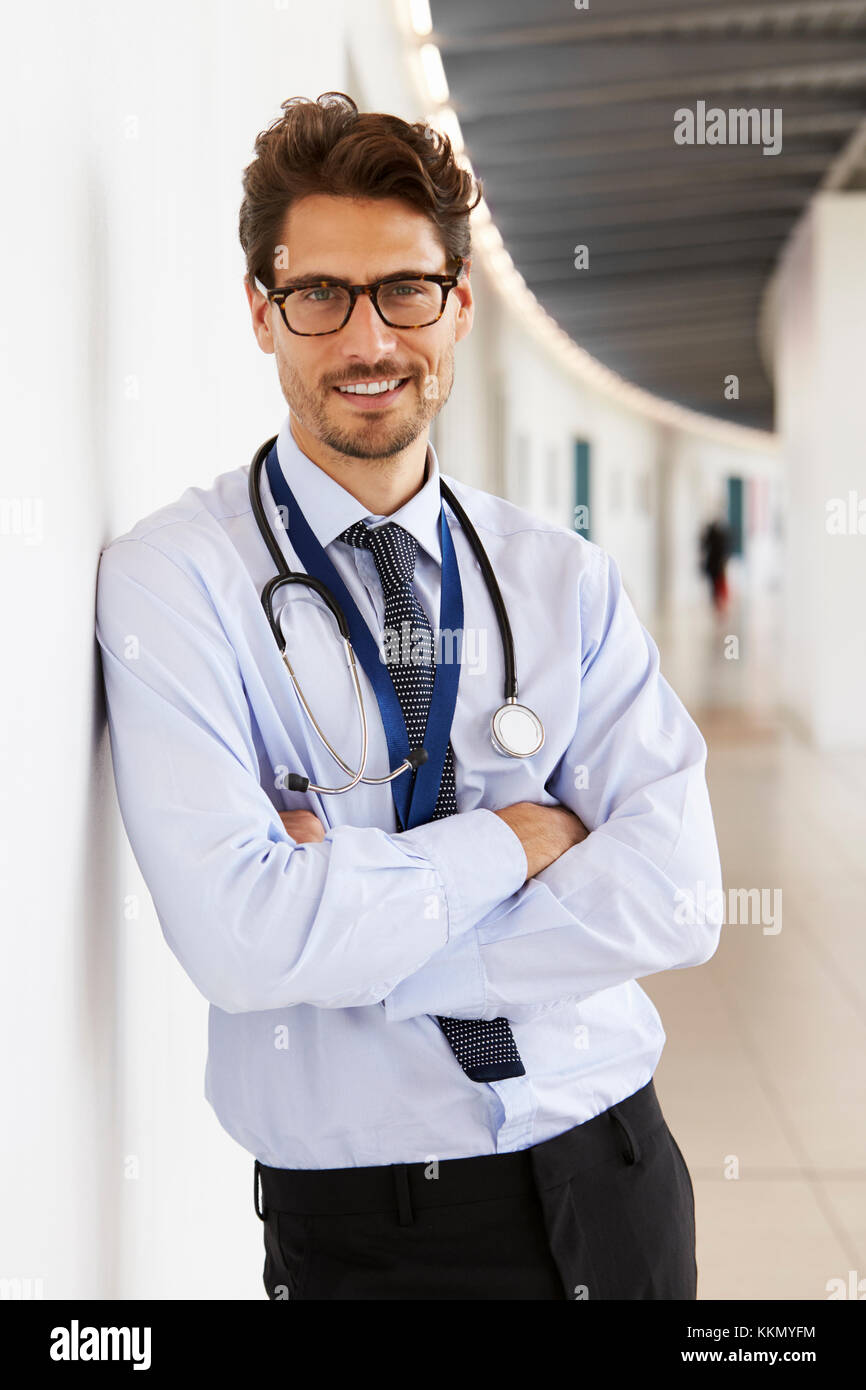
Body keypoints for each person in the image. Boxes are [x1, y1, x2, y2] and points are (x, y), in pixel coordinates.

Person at [95, 92, 723, 1301]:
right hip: (369, 1226)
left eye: (404, 291)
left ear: (458, 305)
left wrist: (361, 937)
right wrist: (517, 837)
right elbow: (243, 939)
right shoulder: (176, 582)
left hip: (615, 1165)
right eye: (319, 295)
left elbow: (679, 893)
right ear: (261, 313)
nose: (367, 338)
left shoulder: (560, 576)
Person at [700, 518, 731, 614]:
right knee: (716, 582)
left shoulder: (713, 536)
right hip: (716, 563)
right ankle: (717, 601)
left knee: (715, 583)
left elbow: (704, 546)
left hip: (714, 563)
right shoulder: (720, 536)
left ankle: (717, 601)